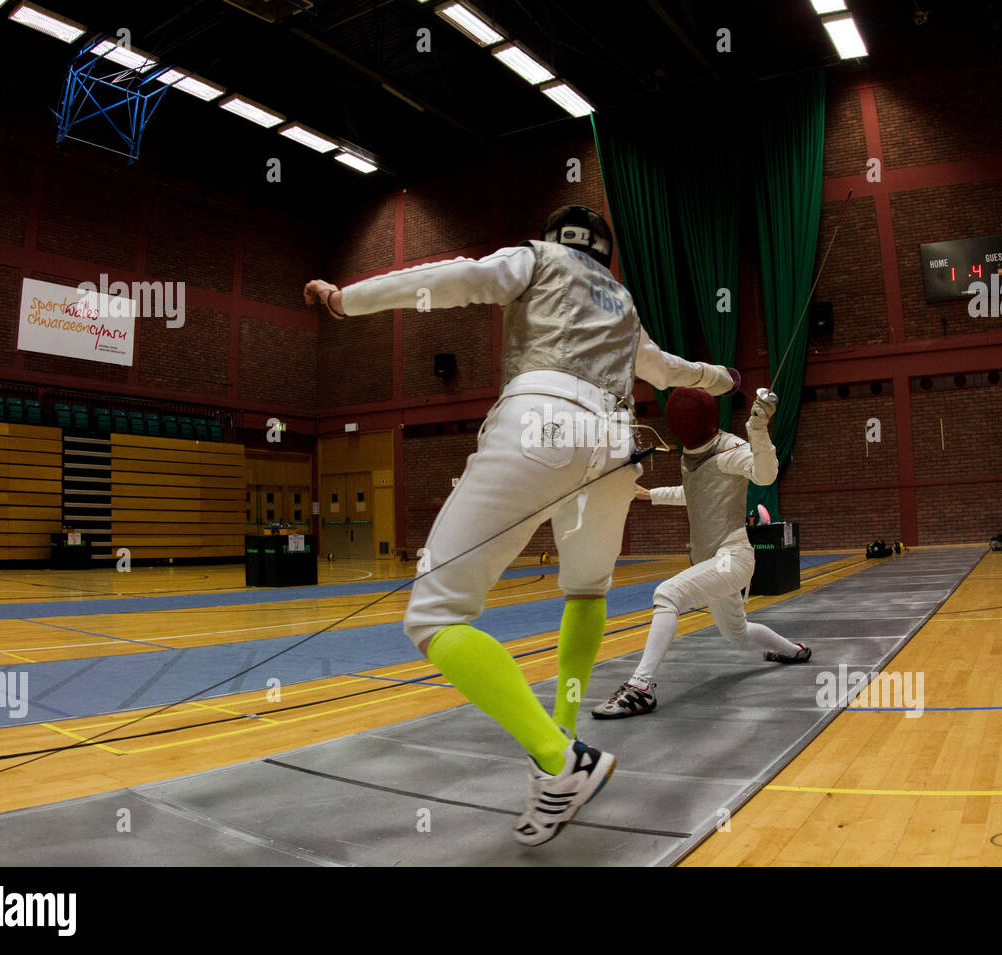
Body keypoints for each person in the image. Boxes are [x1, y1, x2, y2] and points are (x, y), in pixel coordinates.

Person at [302, 205, 740, 843]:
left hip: (541, 424)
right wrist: (720, 377)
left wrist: (347, 301)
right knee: (586, 589)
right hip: (618, 445)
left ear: (556, 237)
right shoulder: (622, 304)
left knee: (435, 614)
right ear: (605, 253)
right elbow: (669, 372)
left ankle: (564, 760)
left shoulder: (535, 256)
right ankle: (558, 745)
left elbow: (456, 278)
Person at [591, 387, 811, 719]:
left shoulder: (731, 448)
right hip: (709, 561)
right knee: (737, 635)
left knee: (667, 593)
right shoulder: (689, 454)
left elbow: (765, 474)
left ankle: (640, 687)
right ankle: (794, 652)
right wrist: (649, 495)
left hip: (732, 556)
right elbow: (695, 493)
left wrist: (758, 430)